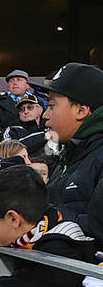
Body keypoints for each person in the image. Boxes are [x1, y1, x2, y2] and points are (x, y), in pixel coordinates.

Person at [35, 63, 103, 242]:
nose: (45, 115)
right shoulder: (70, 155)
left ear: (81, 110)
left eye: (51, 106)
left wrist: (43, 222)